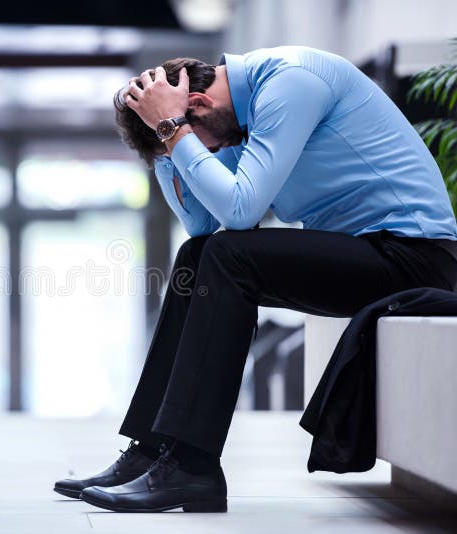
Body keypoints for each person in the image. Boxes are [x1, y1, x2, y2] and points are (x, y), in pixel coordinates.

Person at [53, 45, 457, 513]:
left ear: (198, 106)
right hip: (370, 254)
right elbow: (203, 224)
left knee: (229, 256)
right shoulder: (234, 118)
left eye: (194, 140)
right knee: (197, 256)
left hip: (417, 258)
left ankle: (193, 465)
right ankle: (152, 450)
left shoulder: (290, 83)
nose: (209, 152)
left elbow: (240, 212)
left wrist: (172, 127)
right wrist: (167, 140)